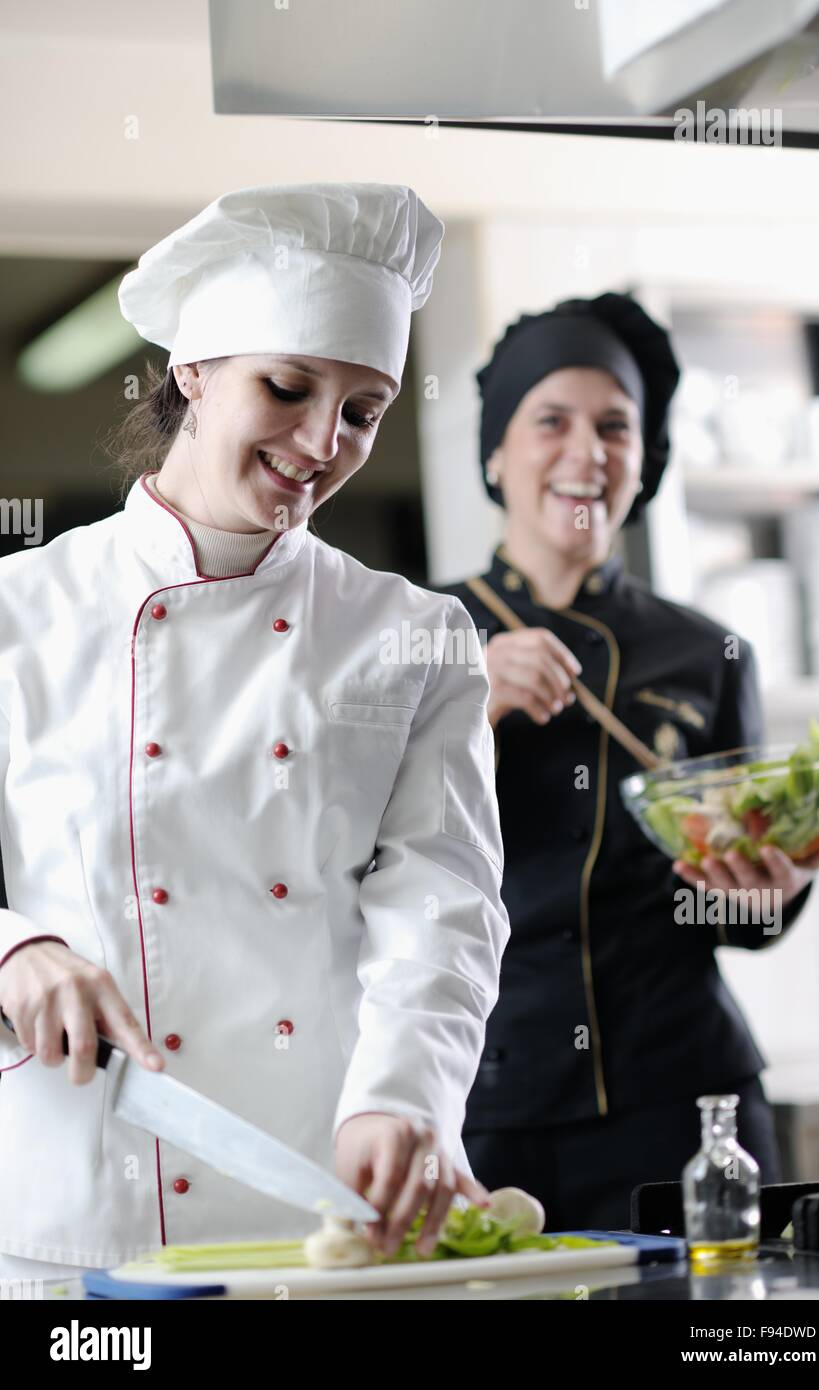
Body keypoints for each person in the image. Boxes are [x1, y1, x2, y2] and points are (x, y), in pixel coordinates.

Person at [0, 183, 509, 1279]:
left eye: (364, 411)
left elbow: (443, 901)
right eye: (287, 386)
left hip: (318, 1192)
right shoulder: (16, 611)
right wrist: (16, 948)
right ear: (191, 371)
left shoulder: (416, 635)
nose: (323, 441)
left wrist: (405, 1097)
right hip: (71, 1205)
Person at [439, 293, 819, 1232]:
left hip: (685, 1098)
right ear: (497, 452)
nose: (588, 452)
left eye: (616, 427)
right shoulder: (417, 634)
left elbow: (742, 916)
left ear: (643, 462)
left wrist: (765, 887)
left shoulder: (709, 653)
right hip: (479, 1105)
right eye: (552, 421)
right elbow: (345, 855)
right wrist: (468, 702)